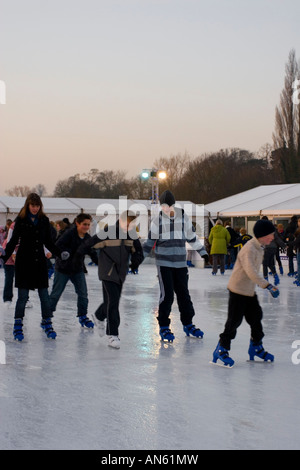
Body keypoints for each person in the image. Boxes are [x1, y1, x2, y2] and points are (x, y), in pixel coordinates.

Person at [142, 190, 209, 342]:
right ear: (161, 206)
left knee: (184, 295)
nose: (168, 208)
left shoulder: (183, 218)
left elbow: (192, 237)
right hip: (164, 263)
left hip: (180, 263)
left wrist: (202, 251)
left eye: (170, 205)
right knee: (167, 296)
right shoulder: (157, 221)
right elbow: (149, 243)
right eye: (165, 205)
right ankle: (164, 326)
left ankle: (188, 323)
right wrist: (137, 259)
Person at [0, 193, 68, 341]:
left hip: (39, 263)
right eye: (33, 205)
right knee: (23, 297)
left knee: (44, 296)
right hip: (24, 263)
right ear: (28, 205)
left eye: (37, 206)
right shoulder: (21, 221)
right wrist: (4, 256)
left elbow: (49, 243)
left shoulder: (44, 220)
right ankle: (18, 325)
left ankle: (47, 322)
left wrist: (59, 253)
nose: (35, 208)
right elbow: (12, 242)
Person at [212, 219, 279, 367]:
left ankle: (256, 346)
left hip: (248, 291)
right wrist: (267, 286)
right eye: (271, 235)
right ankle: (221, 348)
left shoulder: (259, 247)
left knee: (256, 317)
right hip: (237, 290)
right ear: (262, 235)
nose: (272, 237)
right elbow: (251, 272)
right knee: (234, 321)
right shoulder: (249, 249)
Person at [73, 211, 144, 349]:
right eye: (127, 222)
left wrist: (135, 262)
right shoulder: (108, 232)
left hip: (120, 274)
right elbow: (89, 244)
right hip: (107, 272)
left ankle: (99, 316)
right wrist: (78, 255)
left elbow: (138, 252)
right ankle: (113, 335)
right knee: (113, 302)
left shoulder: (132, 236)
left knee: (111, 301)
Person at [49, 213, 98, 328]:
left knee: (83, 294)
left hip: (77, 270)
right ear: (77, 223)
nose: (86, 227)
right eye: (84, 224)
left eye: (88, 224)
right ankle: (47, 317)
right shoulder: (69, 234)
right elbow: (57, 245)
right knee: (56, 294)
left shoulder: (87, 238)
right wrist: (63, 252)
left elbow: (92, 252)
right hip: (63, 269)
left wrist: (101, 263)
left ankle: (82, 316)